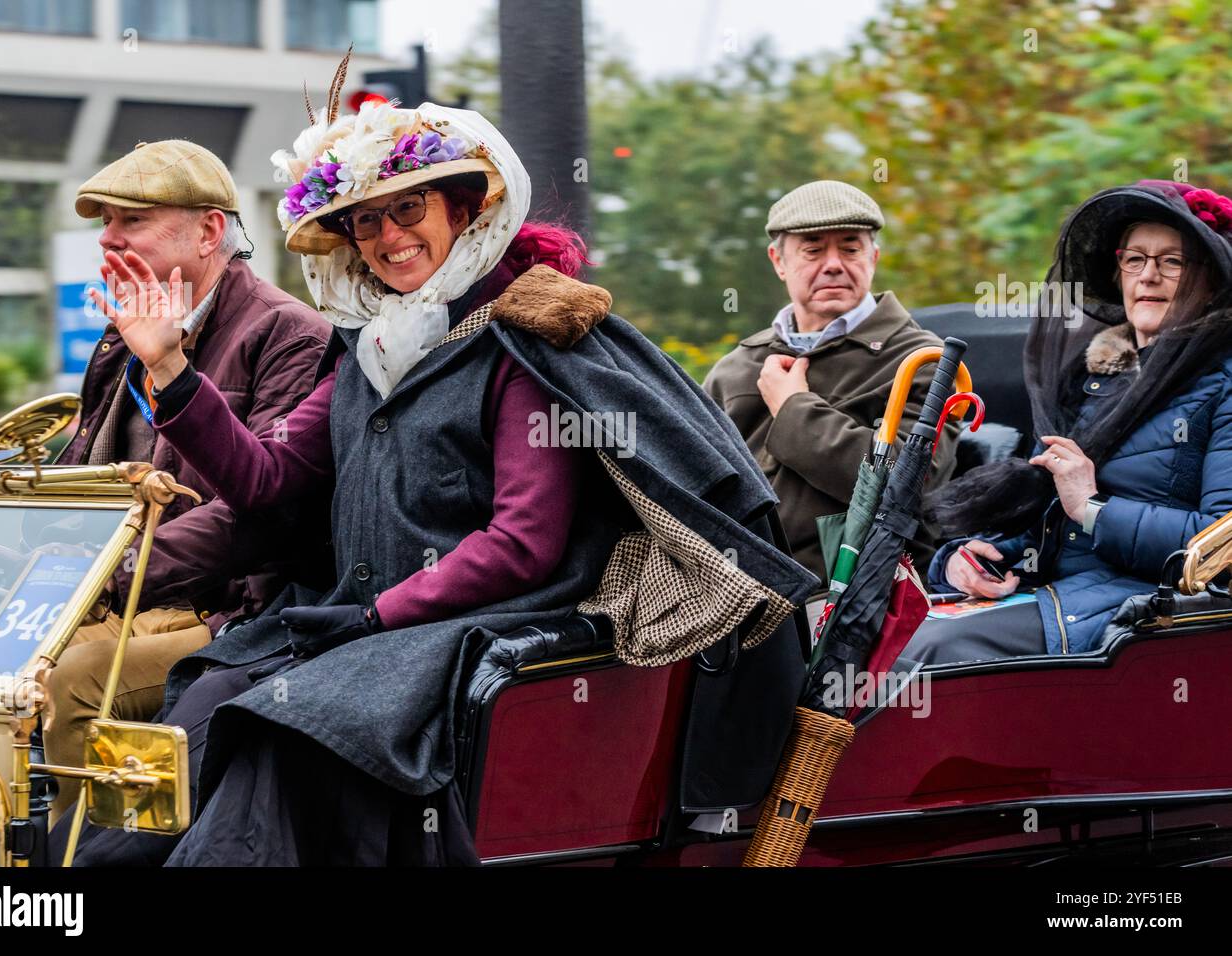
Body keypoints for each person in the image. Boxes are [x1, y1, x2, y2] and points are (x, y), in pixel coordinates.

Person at [57, 85, 814, 865]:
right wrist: (171, 368)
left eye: (409, 211)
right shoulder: (368, 353)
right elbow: (268, 481)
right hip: (357, 625)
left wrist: (378, 615)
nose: (389, 238)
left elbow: (523, 544)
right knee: (197, 708)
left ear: (462, 212)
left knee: (283, 735)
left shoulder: (522, 343)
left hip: (471, 627)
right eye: (367, 221)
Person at [44, 140, 329, 815]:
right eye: (104, 222)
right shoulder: (125, 333)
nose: (108, 238)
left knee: (71, 681)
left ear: (208, 231)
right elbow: (81, 474)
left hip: (229, 611)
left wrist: (110, 572)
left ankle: (71, 866)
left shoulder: (289, 333)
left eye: (132, 220)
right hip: (130, 596)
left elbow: (258, 511)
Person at [904, 180, 1232, 664]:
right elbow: (1042, 513)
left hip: (1142, 615)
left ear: (1209, 281)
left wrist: (1094, 508)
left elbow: (1221, 551)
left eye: (1173, 261)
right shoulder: (1090, 378)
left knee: (926, 650)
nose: (1148, 276)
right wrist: (968, 559)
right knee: (879, 636)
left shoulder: (1223, 382)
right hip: (1061, 592)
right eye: (1134, 259)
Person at [704, 180, 960, 615]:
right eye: (812, 249)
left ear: (874, 258)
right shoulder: (735, 369)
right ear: (778, 261)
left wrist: (793, 409)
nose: (834, 265)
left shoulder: (921, 360)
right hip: (734, 601)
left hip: (858, 602)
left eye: (850, 248)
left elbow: (911, 484)